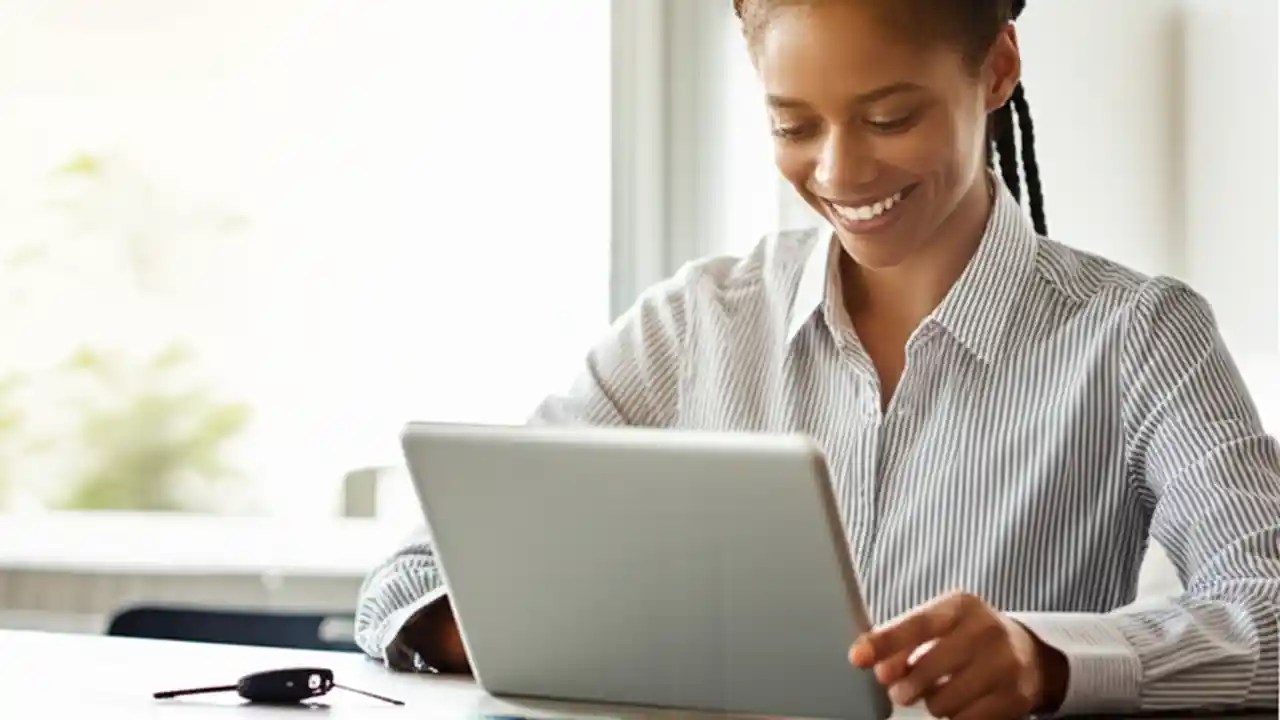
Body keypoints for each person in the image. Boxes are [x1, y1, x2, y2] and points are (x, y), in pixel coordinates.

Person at [355, 1, 1280, 717]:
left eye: (889, 117)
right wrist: (571, 634)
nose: (840, 173)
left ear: (997, 68)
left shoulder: (1139, 336)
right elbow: (407, 580)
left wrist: (1047, 660)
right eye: (794, 127)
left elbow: (1268, 614)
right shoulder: (693, 326)